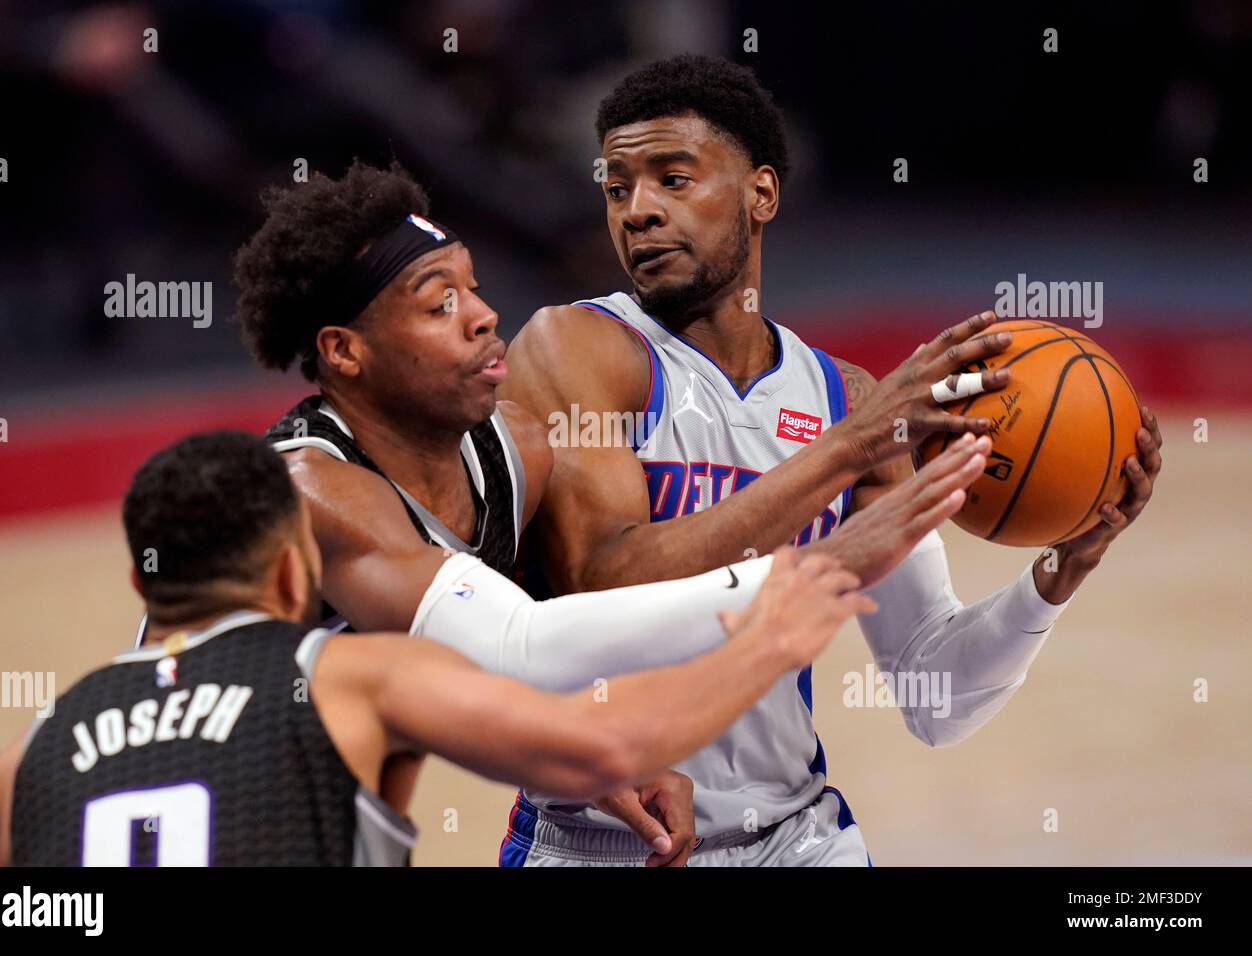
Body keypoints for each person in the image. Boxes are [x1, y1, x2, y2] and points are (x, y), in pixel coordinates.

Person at [225, 159, 996, 863]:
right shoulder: (314, 486)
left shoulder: (512, 450)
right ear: (344, 351)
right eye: (440, 304)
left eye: (475, 287)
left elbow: (494, 659)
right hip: (209, 791)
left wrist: (589, 761)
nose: (485, 317)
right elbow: (516, 647)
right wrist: (813, 567)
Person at [496, 54, 1164, 866]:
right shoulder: (577, 347)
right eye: (617, 188)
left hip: (797, 838)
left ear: (761, 194)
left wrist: (1061, 570)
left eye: (674, 179)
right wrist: (846, 450)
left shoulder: (842, 395)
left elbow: (938, 696)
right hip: (603, 841)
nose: (638, 211)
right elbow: (607, 585)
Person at [0, 430, 879, 867]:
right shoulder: (352, 679)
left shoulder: (21, 765)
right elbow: (605, 745)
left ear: (140, 589)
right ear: (292, 578)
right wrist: (767, 641)